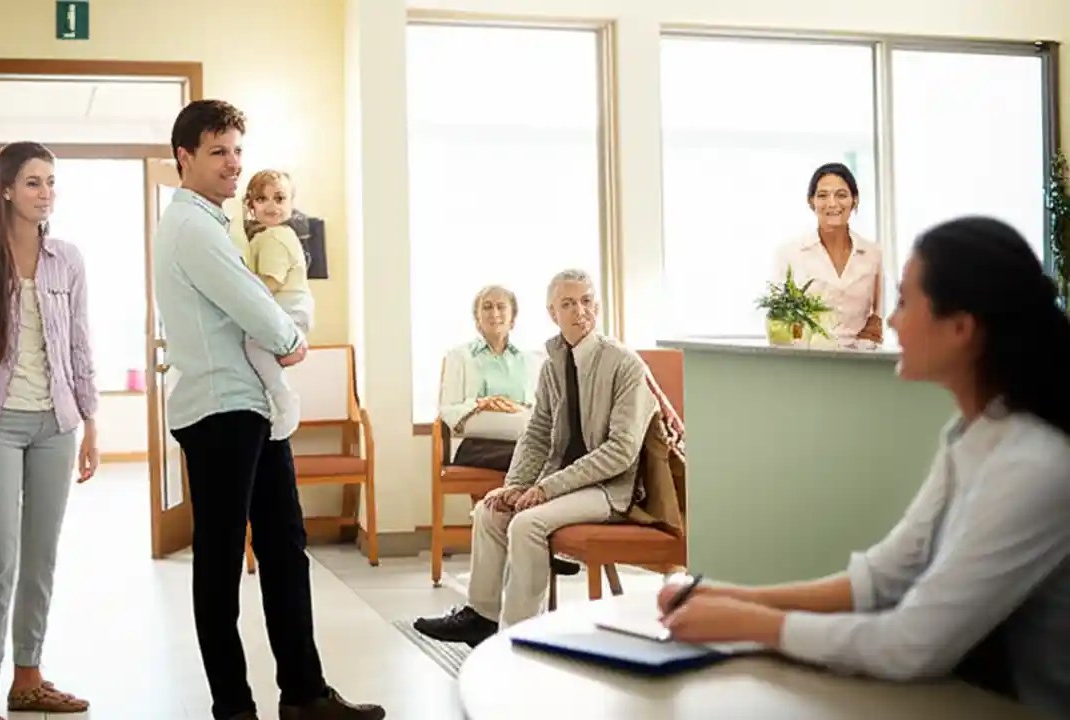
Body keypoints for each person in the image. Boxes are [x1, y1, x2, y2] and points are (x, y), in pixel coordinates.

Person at [659, 216, 1070, 719]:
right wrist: (726, 595)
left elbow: (911, 644)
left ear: (961, 328)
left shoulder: (1035, 465)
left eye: (903, 301)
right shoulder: (969, 435)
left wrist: (750, 623)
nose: (891, 321)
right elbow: (882, 579)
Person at [152, 99, 384, 720]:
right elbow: (249, 301)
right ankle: (233, 705)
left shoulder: (212, 223)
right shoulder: (191, 228)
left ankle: (304, 694)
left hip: (249, 408)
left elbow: (249, 295)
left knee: (284, 546)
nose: (232, 166)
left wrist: (279, 335)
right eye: (217, 153)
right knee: (222, 559)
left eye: (236, 152)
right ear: (185, 158)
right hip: (220, 410)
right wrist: (291, 340)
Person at [414, 269, 658, 646]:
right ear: (551, 313)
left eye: (586, 301)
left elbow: (621, 452)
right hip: (562, 482)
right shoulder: (553, 365)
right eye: (567, 303)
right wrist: (514, 486)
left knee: (527, 524)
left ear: (597, 305)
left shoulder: (625, 365)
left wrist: (546, 488)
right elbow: (537, 434)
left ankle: (519, 637)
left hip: (609, 490)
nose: (580, 311)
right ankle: (481, 616)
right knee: (490, 511)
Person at [0, 141, 100, 720]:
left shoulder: (68, 258)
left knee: (41, 555)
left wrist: (90, 423)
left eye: (51, 182)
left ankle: (28, 678)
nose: (45, 193)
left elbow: (80, 342)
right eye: (34, 182)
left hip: (56, 421)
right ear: (6, 188)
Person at [771, 162, 883, 346]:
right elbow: (778, 318)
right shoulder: (790, 254)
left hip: (860, 360)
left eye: (841, 195)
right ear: (811, 202)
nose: (832, 203)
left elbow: (878, 316)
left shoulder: (873, 254)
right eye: (822, 195)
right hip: (807, 359)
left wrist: (868, 338)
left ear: (854, 200)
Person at [242, 169, 314, 440]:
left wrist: (243, 296)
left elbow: (270, 284)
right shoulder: (270, 235)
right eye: (262, 199)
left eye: (280, 198)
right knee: (263, 350)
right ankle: (277, 401)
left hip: (288, 305)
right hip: (294, 305)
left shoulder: (274, 236)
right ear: (251, 204)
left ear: (291, 203)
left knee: (252, 343)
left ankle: (283, 399)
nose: (272, 206)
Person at [438, 285, 537, 458]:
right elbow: (447, 410)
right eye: (487, 307)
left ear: (512, 319)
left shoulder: (530, 360)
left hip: (521, 442)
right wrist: (481, 404)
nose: (494, 313)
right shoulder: (459, 356)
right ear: (477, 319)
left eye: (501, 306)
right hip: (477, 445)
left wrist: (514, 408)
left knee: (540, 457)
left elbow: (538, 412)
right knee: (526, 462)